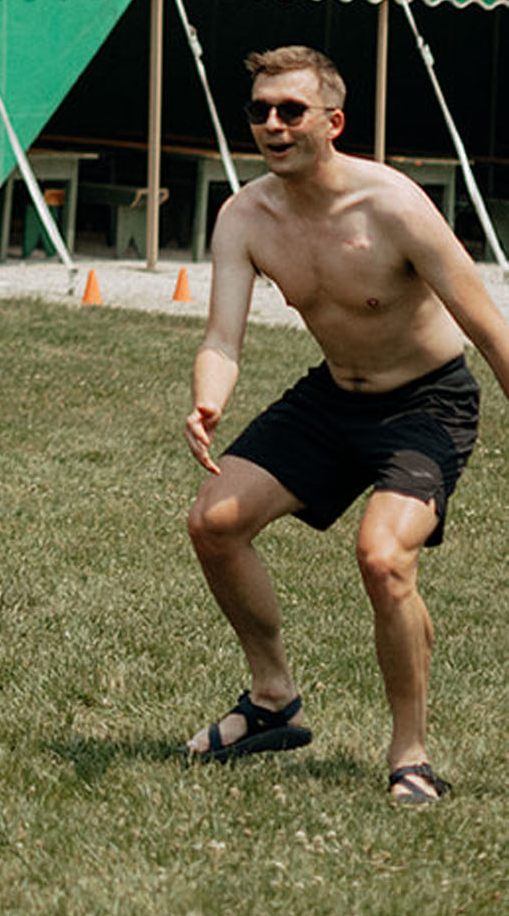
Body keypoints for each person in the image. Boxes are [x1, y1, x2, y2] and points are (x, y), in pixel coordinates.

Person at [183, 43, 509, 804]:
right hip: (333, 396)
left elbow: (489, 327)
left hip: (427, 400)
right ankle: (272, 699)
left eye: (290, 110)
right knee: (214, 521)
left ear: (333, 120)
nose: (272, 124)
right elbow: (222, 338)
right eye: (260, 110)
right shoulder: (245, 214)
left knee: (383, 557)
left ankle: (411, 753)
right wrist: (207, 398)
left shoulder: (392, 205)